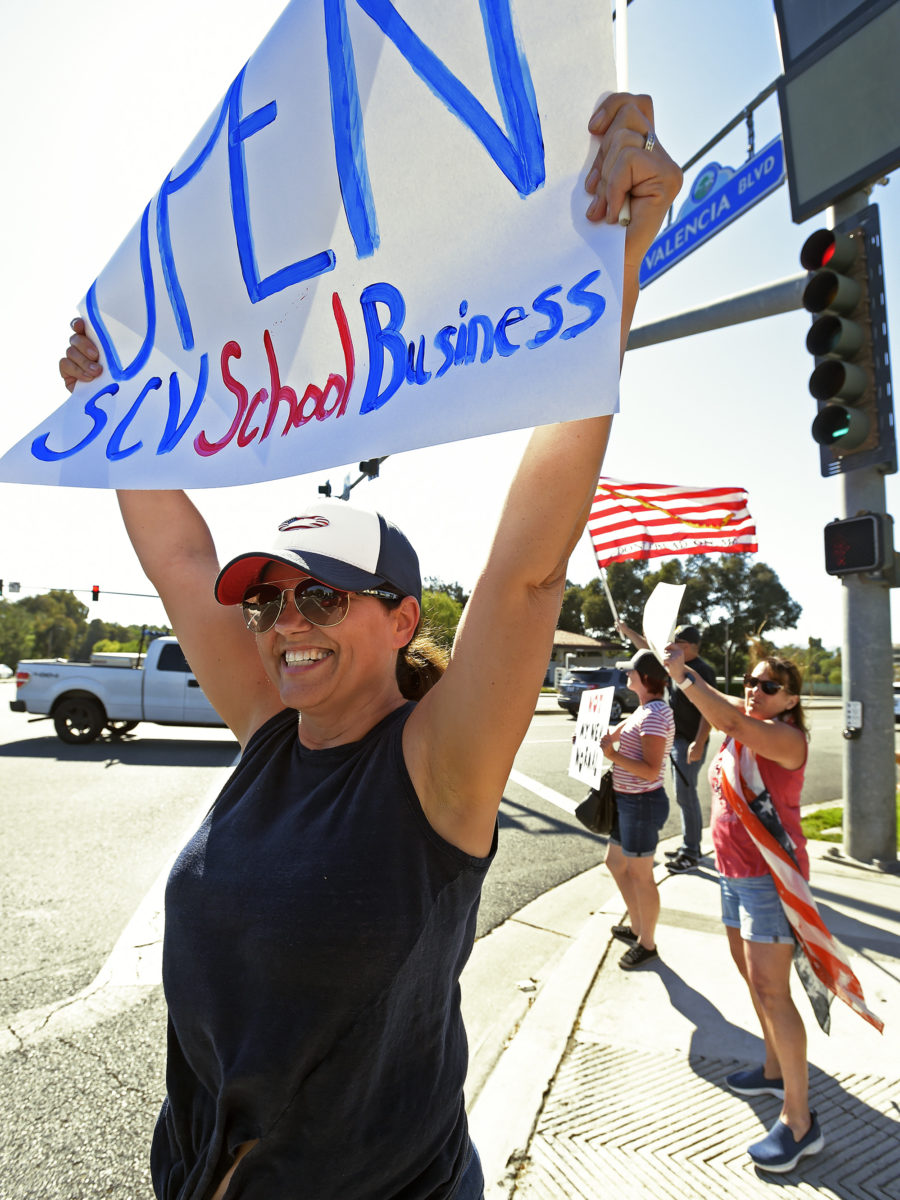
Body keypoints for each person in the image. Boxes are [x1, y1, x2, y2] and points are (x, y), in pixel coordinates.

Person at [59, 95, 683, 1200]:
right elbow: (176, 552)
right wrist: (112, 408)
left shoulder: (437, 770)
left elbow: (529, 570)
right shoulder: (268, 731)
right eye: (270, 604)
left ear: (403, 618)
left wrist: (616, 263)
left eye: (323, 600)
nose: (285, 626)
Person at [661, 646, 825, 1173]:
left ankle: (800, 1122)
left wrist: (683, 677)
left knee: (774, 993)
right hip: (734, 875)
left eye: (770, 686)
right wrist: (654, 646)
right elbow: (722, 710)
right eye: (752, 682)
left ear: (792, 700)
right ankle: (775, 1070)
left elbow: (726, 713)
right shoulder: (747, 720)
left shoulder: (784, 738)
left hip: (770, 880)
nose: (756, 691)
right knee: (756, 982)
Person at [616, 619, 715, 871]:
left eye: (679, 642)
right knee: (682, 795)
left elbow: (709, 710)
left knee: (686, 794)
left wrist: (699, 742)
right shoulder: (673, 666)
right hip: (674, 740)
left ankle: (692, 851)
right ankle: (687, 845)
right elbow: (647, 651)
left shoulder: (701, 670)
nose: (672, 646)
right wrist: (628, 631)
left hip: (689, 741)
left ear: (693, 646)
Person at [598, 649, 674, 970]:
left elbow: (650, 769)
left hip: (641, 803)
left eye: (631, 671)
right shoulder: (642, 711)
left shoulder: (655, 715)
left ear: (645, 679)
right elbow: (609, 738)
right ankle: (637, 927)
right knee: (615, 862)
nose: (626, 675)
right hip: (627, 800)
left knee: (642, 876)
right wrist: (591, 739)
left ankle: (648, 943)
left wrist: (612, 756)